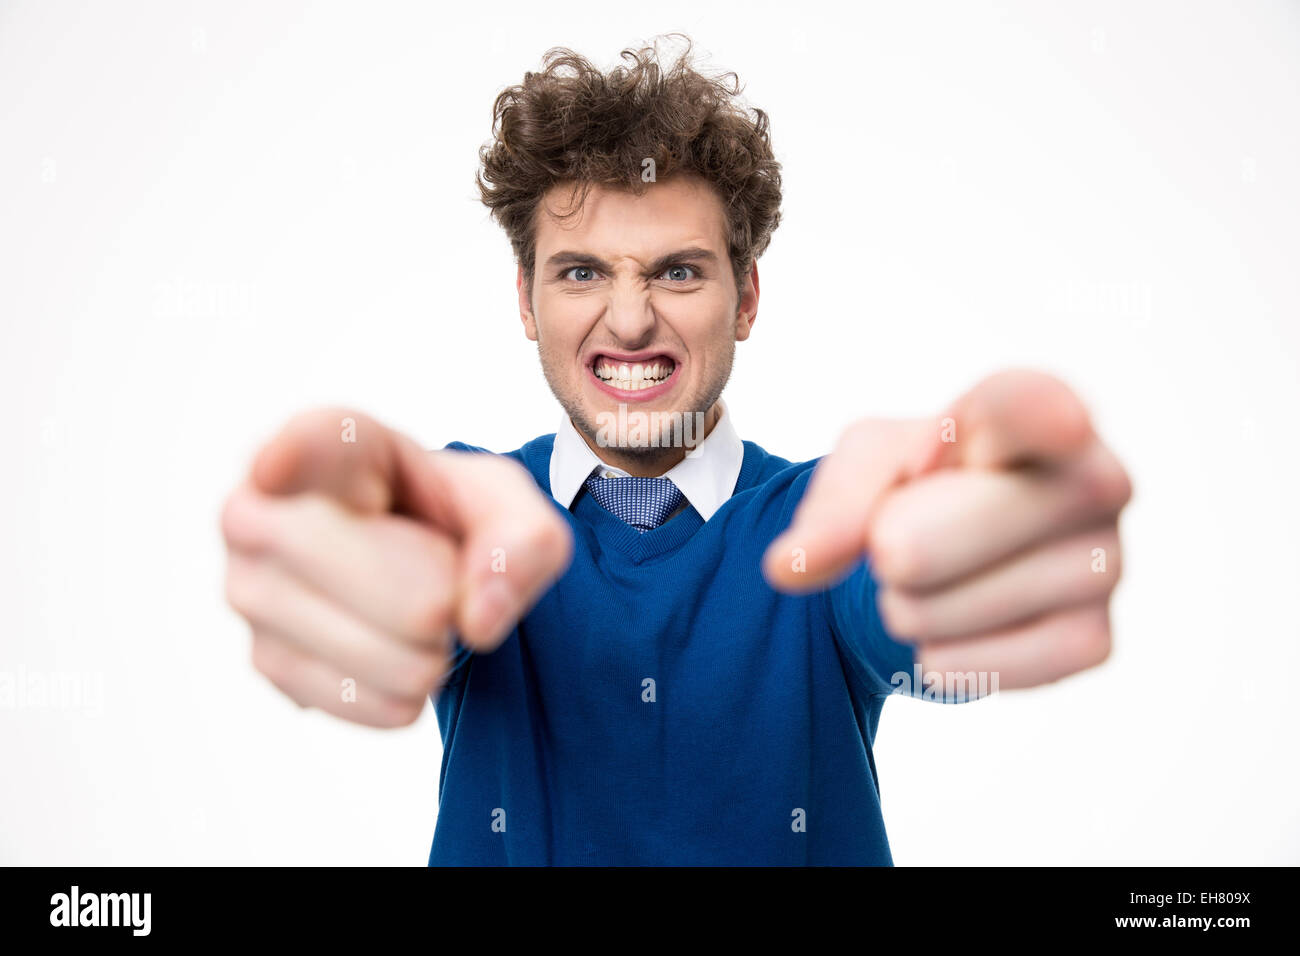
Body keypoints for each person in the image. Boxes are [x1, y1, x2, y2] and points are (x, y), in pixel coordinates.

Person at [220, 35, 1132, 865]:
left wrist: (966, 547)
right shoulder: (476, 515)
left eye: (678, 271)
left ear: (745, 300)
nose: (628, 320)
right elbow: (417, 562)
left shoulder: (825, 531)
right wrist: (365, 557)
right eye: (581, 273)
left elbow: (903, 603)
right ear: (527, 305)